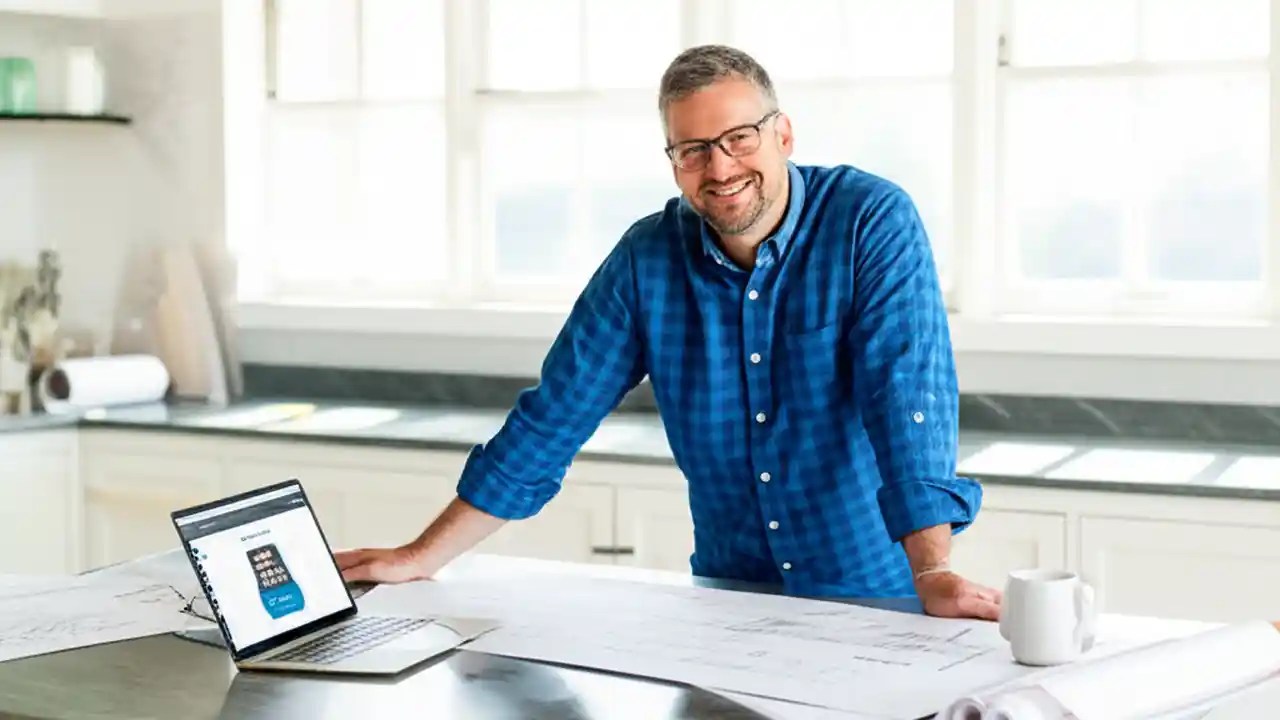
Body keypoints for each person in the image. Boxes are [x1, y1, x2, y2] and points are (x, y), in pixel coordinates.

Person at [336, 44, 1001, 621]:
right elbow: (550, 422)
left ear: (784, 134)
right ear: (673, 159)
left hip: (875, 595)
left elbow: (905, 398)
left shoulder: (868, 221)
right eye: (693, 150)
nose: (720, 168)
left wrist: (931, 572)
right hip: (726, 602)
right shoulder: (645, 260)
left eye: (739, 138)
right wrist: (421, 556)